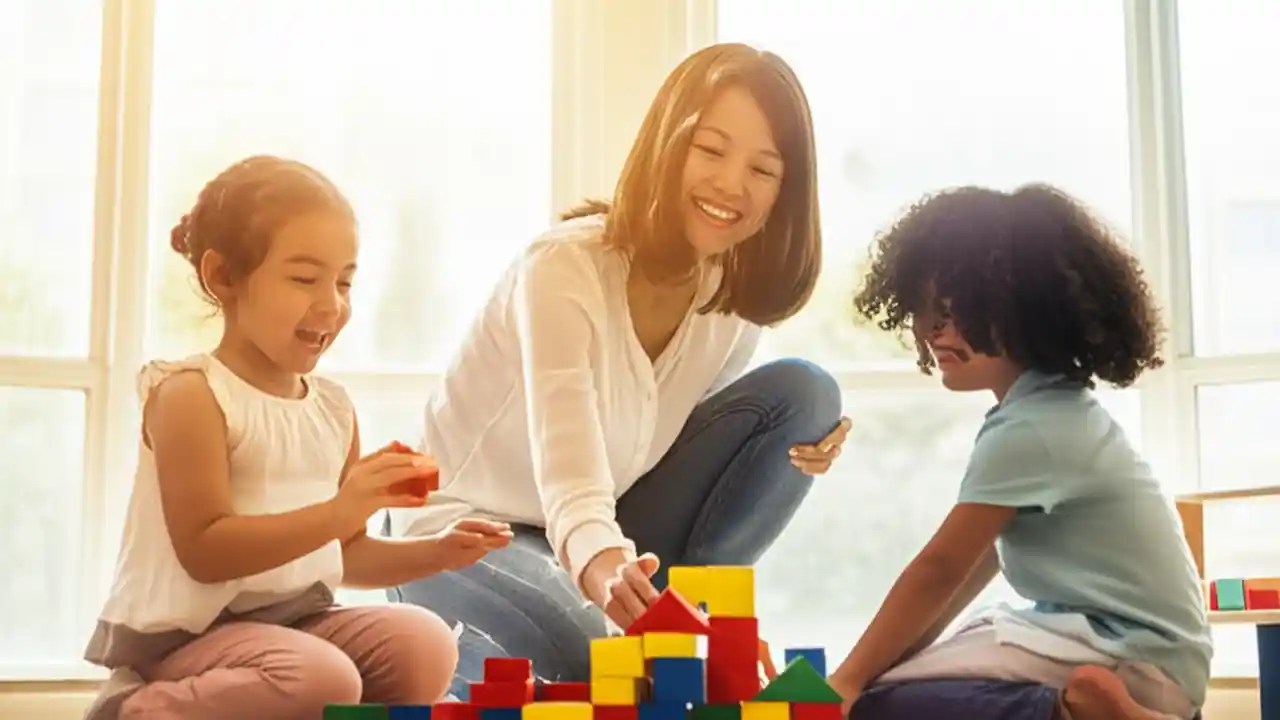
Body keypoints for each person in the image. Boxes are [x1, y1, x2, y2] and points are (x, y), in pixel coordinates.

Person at [387, 42, 849, 696]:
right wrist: (604, 573)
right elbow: (569, 462)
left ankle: (691, 630)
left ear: (784, 193)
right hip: (464, 530)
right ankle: (474, 653)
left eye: (763, 169)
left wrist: (797, 444)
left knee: (805, 395)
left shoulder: (731, 304)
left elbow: (687, 448)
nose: (731, 185)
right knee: (587, 661)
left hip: (592, 526)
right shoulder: (562, 270)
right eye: (711, 151)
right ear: (667, 145)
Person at [81, 155, 512, 720]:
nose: (331, 304)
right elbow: (205, 552)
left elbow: (348, 555)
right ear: (223, 278)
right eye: (305, 279)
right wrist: (340, 510)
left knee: (426, 644)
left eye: (345, 282)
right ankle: (137, 710)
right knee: (320, 676)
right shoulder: (191, 395)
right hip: (188, 641)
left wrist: (438, 552)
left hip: (296, 623)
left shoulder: (331, 408)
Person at [832, 184, 1212, 719]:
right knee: (893, 686)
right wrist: (883, 667)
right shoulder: (1052, 411)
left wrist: (849, 681)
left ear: (1027, 313)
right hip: (1149, 657)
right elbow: (967, 574)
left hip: (1126, 656)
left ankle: (1080, 712)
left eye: (957, 310)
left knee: (882, 710)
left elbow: (939, 568)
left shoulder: (1030, 431)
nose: (935, 332)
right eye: (925, 310)